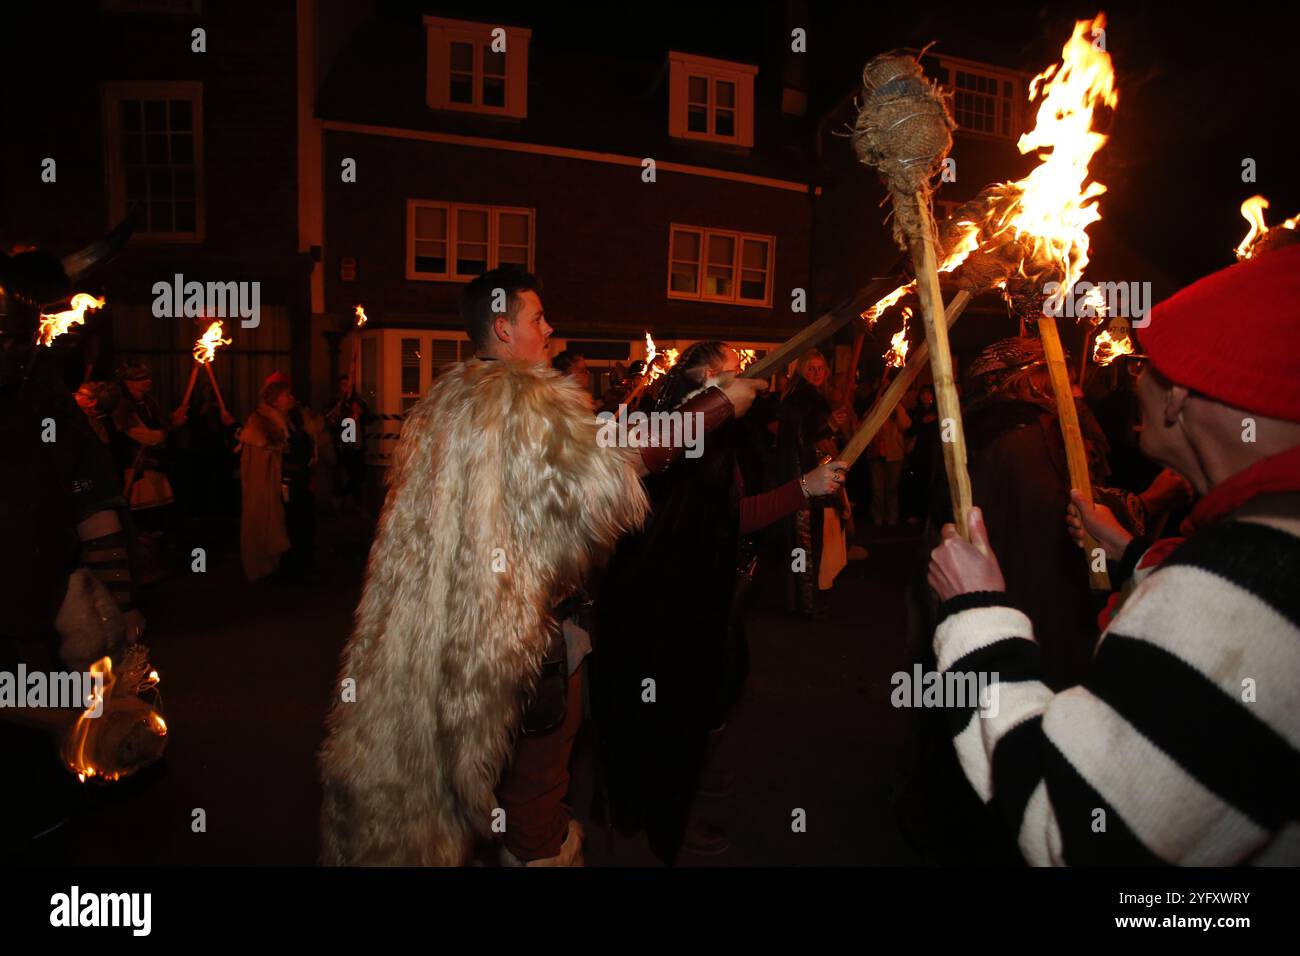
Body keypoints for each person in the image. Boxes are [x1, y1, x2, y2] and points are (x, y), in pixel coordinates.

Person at [318, 268, 766, 866]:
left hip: (454, 629)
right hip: (519, 640)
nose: (550, 328)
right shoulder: (520, 397)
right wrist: (716, 408)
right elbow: (605, 478)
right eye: (537, 319)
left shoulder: (448, 400)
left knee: (482, 784)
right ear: (503, 329)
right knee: (538, 796)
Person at [927, 245, 1300, 864]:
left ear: (1179, 396)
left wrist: (975, 613)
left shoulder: (1246, 573)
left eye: (1144, 368)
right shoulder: (1256, 547)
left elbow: (1072, 828)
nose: (1130, 384)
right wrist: (1133, 554)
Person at [592, 342, 846, 862]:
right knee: (678, 709)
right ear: (709, 379)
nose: (748, 377)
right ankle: (670, 809)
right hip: (672, 606)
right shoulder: (686, 440)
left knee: (709, 689)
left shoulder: (703, 429)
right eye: (735, 371)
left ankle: (668, 785)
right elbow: (731, 517)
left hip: (681, 597)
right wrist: (803, 488)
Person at [774, 349, 850, 617]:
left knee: (800, 541)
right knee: (804, 541)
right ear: (802, 371)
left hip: (798, 475)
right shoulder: (805, 398)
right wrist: (828, 424)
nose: (817, 373)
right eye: (811, 369)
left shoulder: (801, 397)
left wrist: (829, 426)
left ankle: (799, 601)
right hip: (803, 478)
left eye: (820, 369)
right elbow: (804, 438)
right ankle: (806, 604)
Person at [111, 364, 186, 583]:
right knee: (140, 521)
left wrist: (174, 420)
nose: (147, 380)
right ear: (128, 382)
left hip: (154, 468)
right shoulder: (123, 407)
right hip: (134, 471)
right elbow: (147, 437)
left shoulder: (149, 402)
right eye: (140, 378)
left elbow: (162, 427)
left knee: (156, 519)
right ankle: (140, 568)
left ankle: (153, 564)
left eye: (147, 376)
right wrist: (166, 431)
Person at [238, 377, 293, 582]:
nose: (291, 398)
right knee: (260, 517)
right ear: (275, 399)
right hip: (262, 481)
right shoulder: (259, 419)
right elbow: (262, 442)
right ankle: (258, 566)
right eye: (286, 395)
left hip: (275, 477)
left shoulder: (282, 418)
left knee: (274, 518)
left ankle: (271, 564)